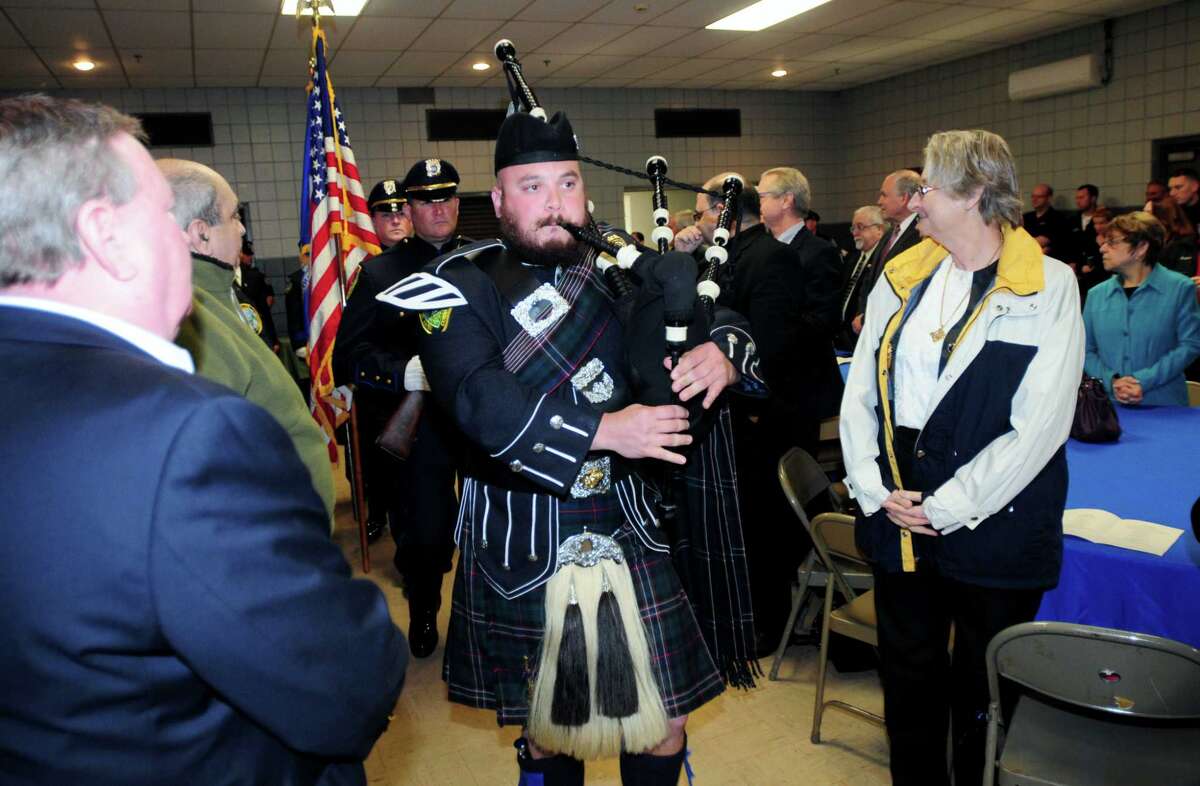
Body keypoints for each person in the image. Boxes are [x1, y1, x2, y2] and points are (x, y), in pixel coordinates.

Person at [0, 94, 405, 786]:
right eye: (163, 213)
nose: (189, 237)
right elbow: (345, 682)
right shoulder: (186, 435)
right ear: (105, 234)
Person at [396, 110, 734, 785]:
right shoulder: (459, 284)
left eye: (568, 183)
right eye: (531, 186)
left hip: (629, 519)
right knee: (552, 732)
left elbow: (718, 312)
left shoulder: (624, 268)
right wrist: (609, 430)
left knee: (666, 723)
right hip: (524, 531)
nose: (554, 204)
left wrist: (719, 352)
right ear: (496, 201)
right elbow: (477, 399)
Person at [840, 129, 1084, 786]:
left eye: (927, 186)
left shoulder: (1050, 284)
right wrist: (869, 486)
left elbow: (1040, 424)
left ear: (975, 191)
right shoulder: (903, 275)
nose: (914, 199)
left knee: (985, 690)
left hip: (996, 517)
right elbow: (860, 391)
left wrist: (952, 505)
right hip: (900, 512)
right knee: (909, 678)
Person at [334, 158, 470, 658]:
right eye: (426, 200)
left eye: (446, 198)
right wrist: (399, 374)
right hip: (424, 426)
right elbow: (347, 355)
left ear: (457, 202)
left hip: (483, 421)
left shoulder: (486, 262)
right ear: (410, 209)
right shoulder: (380, 272)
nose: (438, 208)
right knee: (427, 531)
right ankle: (424, 610)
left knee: (486, 526)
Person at [161, 158, 336, 521]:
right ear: (200, 232)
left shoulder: (217, 296)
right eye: (232, 216)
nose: (241, 229)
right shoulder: (190, 318)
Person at [1083, 211, 1200, 407]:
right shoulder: (1096, 295)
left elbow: (1190, 345)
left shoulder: (1180, 288)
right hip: (1108, 409)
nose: (1102, 248)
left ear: (1141, 248)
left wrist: (1142, 381)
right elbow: (1085, 350)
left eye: (1112, 242)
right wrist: (1113, 381)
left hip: (1166, 407)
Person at [839, 204, 887, 350]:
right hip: (843, 340)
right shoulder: (852, 259)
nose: (855, 233)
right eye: (853, 228)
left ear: (879, 229)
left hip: (864, 341)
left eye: (861, 227)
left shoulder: (883, 262)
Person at [368, 177, 412, 248]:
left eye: (401, 214)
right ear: (373, 220)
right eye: (386, 215)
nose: (396, 221)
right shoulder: (365, 257)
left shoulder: (428, 255)